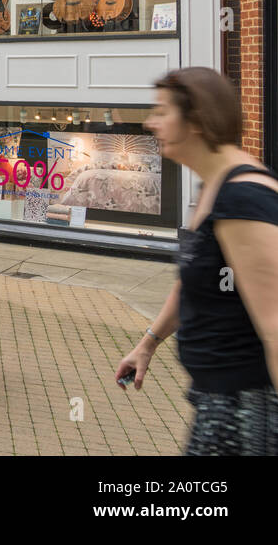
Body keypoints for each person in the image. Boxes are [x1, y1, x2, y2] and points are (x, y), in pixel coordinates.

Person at [115, 67, 278, 454]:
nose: (149, 122)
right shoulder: (213, 188)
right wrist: (147, 345)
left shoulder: (243, 198)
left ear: (198, 120)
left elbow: (275, 325)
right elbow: (193, 279)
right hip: (215, 400)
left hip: (245, 409)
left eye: (162, 111)